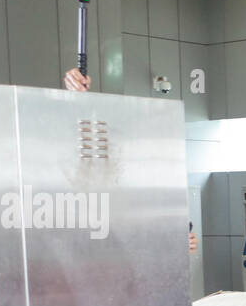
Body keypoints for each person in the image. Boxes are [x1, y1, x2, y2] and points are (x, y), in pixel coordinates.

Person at [63, 68, 200, 256]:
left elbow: (160, 247)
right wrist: (78, 100)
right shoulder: (85, 206)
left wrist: (181, 245)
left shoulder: (148, 203)